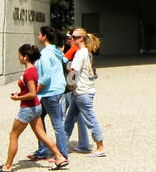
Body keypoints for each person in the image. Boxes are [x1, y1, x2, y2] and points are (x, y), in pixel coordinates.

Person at [0, 44, 67, 172]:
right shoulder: (33, 69)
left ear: (25, 57)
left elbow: (33, 93)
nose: (19, 58)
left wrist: (18, 98)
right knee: (41, 134)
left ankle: (7, 166)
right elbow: (30, 91)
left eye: (20, 56)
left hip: (28, 108)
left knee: (13, 135)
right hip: (36, 106)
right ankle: (60, 157)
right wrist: (20, 94)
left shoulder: (29, 72)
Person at [26, 26, 69, 161]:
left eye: (39, 35)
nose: (38, 37)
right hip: (57, 90)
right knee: (39, 119)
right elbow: (65, 61)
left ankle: (61, 155)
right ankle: (44, 150)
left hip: (49, 92)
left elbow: (46, 76)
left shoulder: (45, 53)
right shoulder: (56, 50)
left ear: (44, 36)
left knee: (56, 124)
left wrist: (35, 91)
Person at [64, 28, 106, 157]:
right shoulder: (86, 52)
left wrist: (67, 87)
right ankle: (61, 147)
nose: (72, 38)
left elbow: (73, 72)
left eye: (75, 36)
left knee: (90, 120)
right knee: (69, 120)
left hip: (82, 93)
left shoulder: (80, 54)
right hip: (83, 92)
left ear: (81, 38)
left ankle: (100, 147)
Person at [61, 26, 89, 152]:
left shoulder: (75, 49)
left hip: (74, 87)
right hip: (81, 87)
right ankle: (83, 144)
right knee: (77, 116)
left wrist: (69, 85)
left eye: (70, 37)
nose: (68, 39)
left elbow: (65, 62)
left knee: (64, 114)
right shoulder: (84, 50)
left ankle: (61, 145)